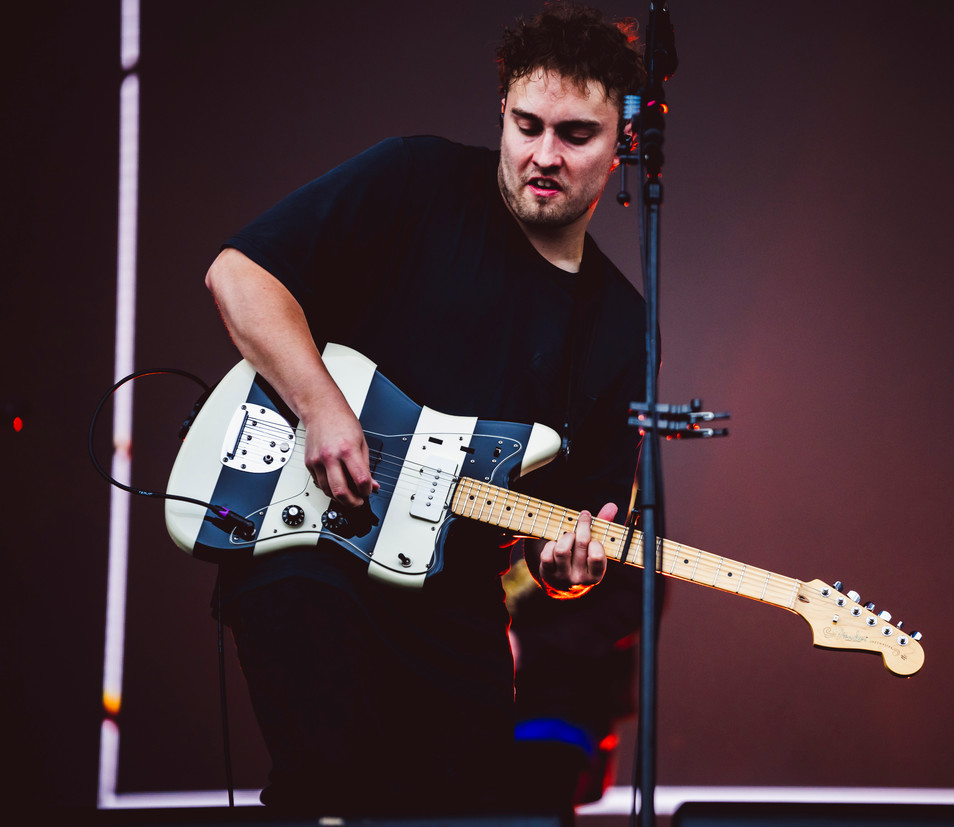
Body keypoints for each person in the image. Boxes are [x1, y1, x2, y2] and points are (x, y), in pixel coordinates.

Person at [203, 2, 647, 815]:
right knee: (333, 779)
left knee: (470, 805)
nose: (543, 155)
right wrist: (323, 407)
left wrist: (564, 571)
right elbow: (239, 276)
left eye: (575, 135)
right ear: (502, 114)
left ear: (622, 142)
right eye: (526, 124)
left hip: (452, 601)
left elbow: (571, 527)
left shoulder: (619, 325)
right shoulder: (416, 178)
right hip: (311, 548)